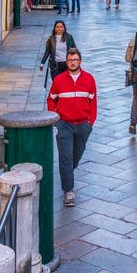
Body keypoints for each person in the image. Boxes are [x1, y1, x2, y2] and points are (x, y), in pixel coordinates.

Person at [47, 48, 97, 207]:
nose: (73, 62)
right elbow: (51, 100)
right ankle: (68, 191)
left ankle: (68, 171)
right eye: (70, 60)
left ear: (80, 61)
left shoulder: (89, 79)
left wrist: (90, 123)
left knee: (77, 155)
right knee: (66, 157)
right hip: (64, 125)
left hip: (83, 125)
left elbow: (93, 102)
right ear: (66, 62)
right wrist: (55, 119)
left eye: (75, 60)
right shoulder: (59, 80)